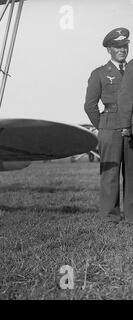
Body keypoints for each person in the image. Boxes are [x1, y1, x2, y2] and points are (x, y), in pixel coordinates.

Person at [84, 27, 133, 224]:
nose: (122, 50)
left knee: (132, 174)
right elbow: (90, 105)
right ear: (109, 50)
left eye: (125, 46)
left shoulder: (132, 69)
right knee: (110, 173)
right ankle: (109, 217)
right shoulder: (99, 73)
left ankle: (131, 217)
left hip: (131, 125)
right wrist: (103, 126)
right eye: (118, 47)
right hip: (109, 127)